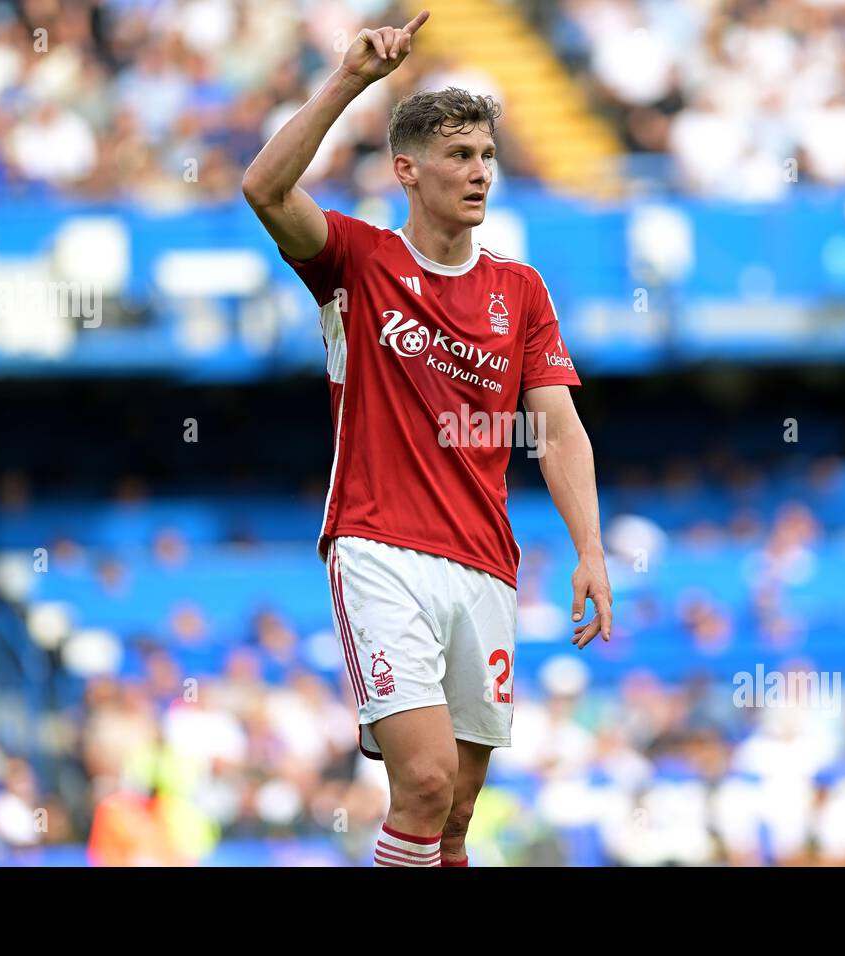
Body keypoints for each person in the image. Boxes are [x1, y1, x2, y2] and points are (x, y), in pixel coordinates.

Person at [241, 9, 613, 867]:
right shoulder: (358, 260)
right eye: (459, 156)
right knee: (424, 781)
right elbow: (264, 189)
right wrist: (351, 80)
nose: (480, 171)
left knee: (456, 814)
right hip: (378, 547)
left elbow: (557, 430)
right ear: (407, 170)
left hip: (485, 562)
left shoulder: (519, 290)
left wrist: (589, 549)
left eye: (487, 155)